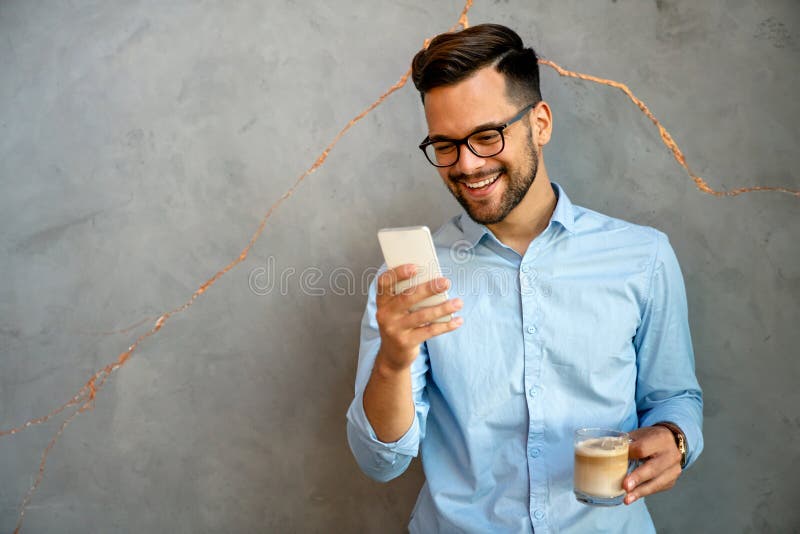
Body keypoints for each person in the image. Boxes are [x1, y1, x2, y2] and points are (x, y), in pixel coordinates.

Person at [346, 23, 703, 533]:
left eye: (487, 137)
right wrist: (392, 361)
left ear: (540, 123)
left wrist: (676, 438)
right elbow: (380, 462)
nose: (467, 164)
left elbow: (674, 396)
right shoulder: (409, 279)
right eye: (444, 145)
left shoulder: (642, 257)